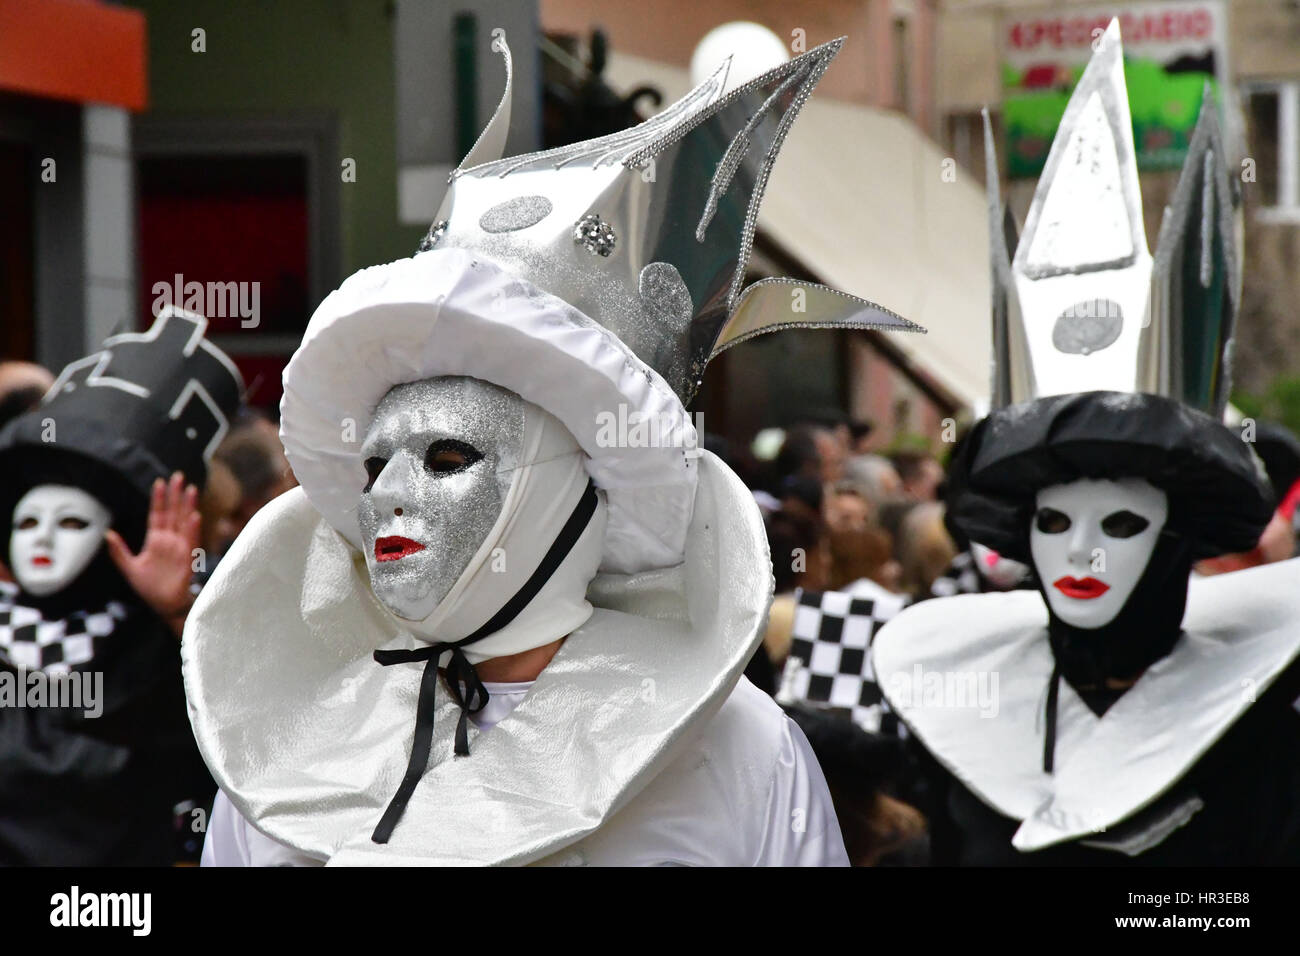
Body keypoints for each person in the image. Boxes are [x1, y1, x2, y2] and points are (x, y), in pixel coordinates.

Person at [185, 35, 922, 866]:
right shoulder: (286, 754)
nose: (388, 493)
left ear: (579, 485)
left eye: (450, 457)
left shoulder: (737, 753)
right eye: (373, 463)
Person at [872, 23, 1300, 864]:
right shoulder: (960, 733)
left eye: (1123, 525)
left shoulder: (1265, 754)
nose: (1083, 552)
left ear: (1178, 535)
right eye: (1057, 522)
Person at [0, 308, 242, 864]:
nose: (45, 541)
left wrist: (178, 614)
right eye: (28, 521)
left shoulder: (152, 651)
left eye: (72, 523)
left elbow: (244, 736)